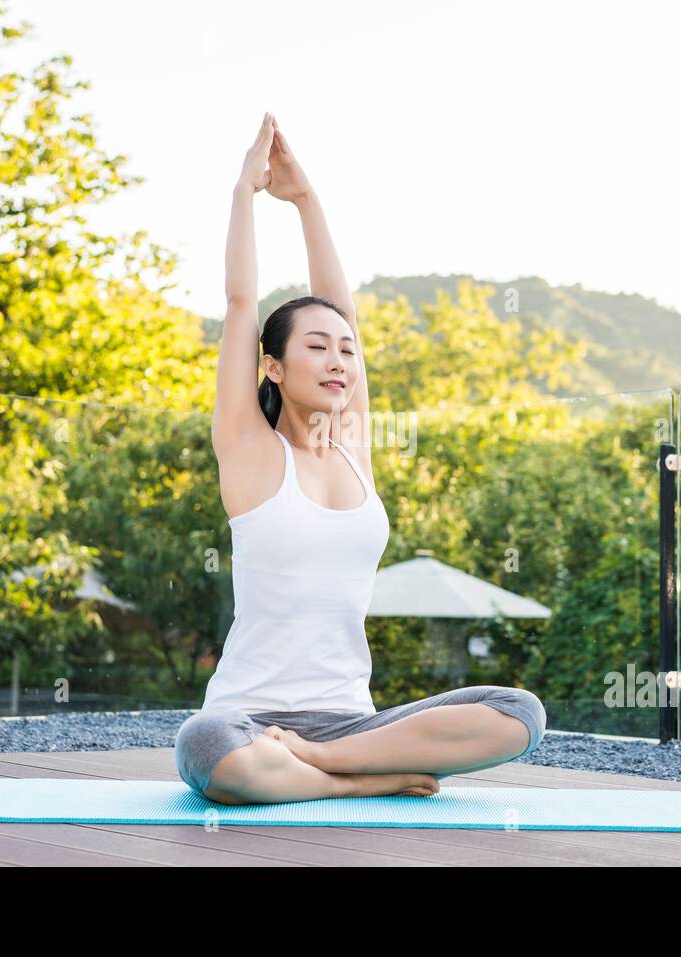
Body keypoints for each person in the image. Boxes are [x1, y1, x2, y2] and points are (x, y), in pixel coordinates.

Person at [174, 113, 546, 805]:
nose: (338, 359)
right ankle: (365, 783)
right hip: (250, 721)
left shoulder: (352, 448)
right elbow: (239, 302)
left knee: (520, 714)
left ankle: (322, 766)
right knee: (206, 747)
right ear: (274, 367)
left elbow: (342, 308)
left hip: (352, 723)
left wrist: (307, 199)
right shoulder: (252, 451)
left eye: (345, 349)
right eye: (315, 346)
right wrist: (243, 193)